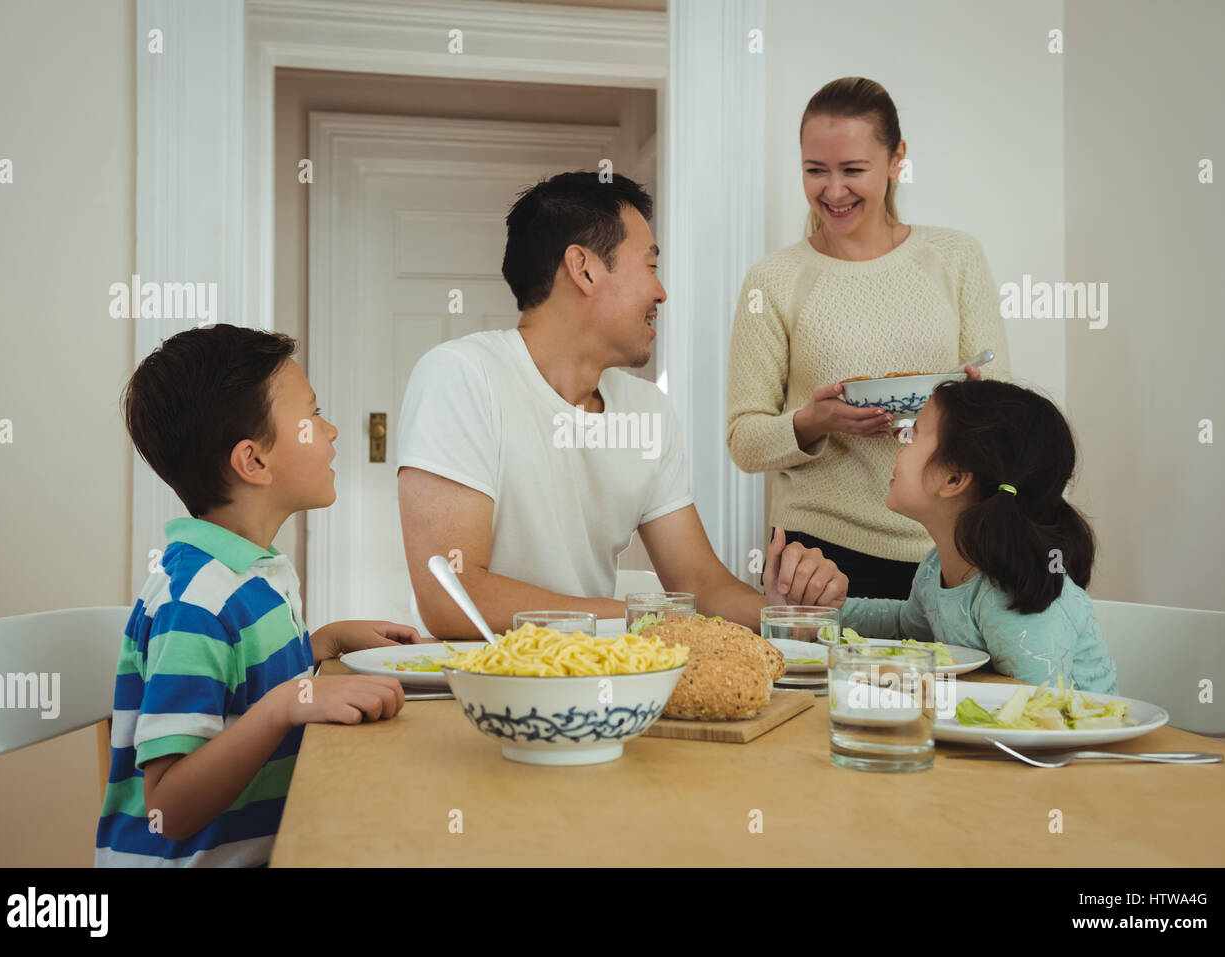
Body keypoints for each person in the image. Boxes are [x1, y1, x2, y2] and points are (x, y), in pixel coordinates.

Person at [397, 172, 847, 637]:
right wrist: (646, 618)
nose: (662, 292)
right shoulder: (462, 376)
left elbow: (700, 585)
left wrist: (784, 616)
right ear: (584, 268)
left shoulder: (648, 410)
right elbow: (453, 598)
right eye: (650, 267)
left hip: (599, 685)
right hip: (474, 693)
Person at [96, 325, 420, 866]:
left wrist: (323, 642)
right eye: (313, 417)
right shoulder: (194, 603)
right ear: (254, 462)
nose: (333, 429)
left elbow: (239, 688)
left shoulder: (253, 573)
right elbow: (168, 809)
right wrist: (291, 704)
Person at [727, 76, 1011, 600]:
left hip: (947, 547)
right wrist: (813, 423)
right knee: (819, 685)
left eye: (853, 170)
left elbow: (1001, 408)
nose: (833, 191)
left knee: (949, 684)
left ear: (896, 159)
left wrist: (970, 403)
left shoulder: (956, 257)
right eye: (816, 171)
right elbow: (744, 439)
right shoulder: (773, 279)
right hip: (817, 551)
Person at [839, 378, 1118, 693]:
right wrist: (827, 612)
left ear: (954, 479)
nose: (899, 446)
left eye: (912, 436)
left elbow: (1040, 707)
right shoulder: (936, 567)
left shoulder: (1012, 592)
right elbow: (907, 627)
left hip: (1075, 739)